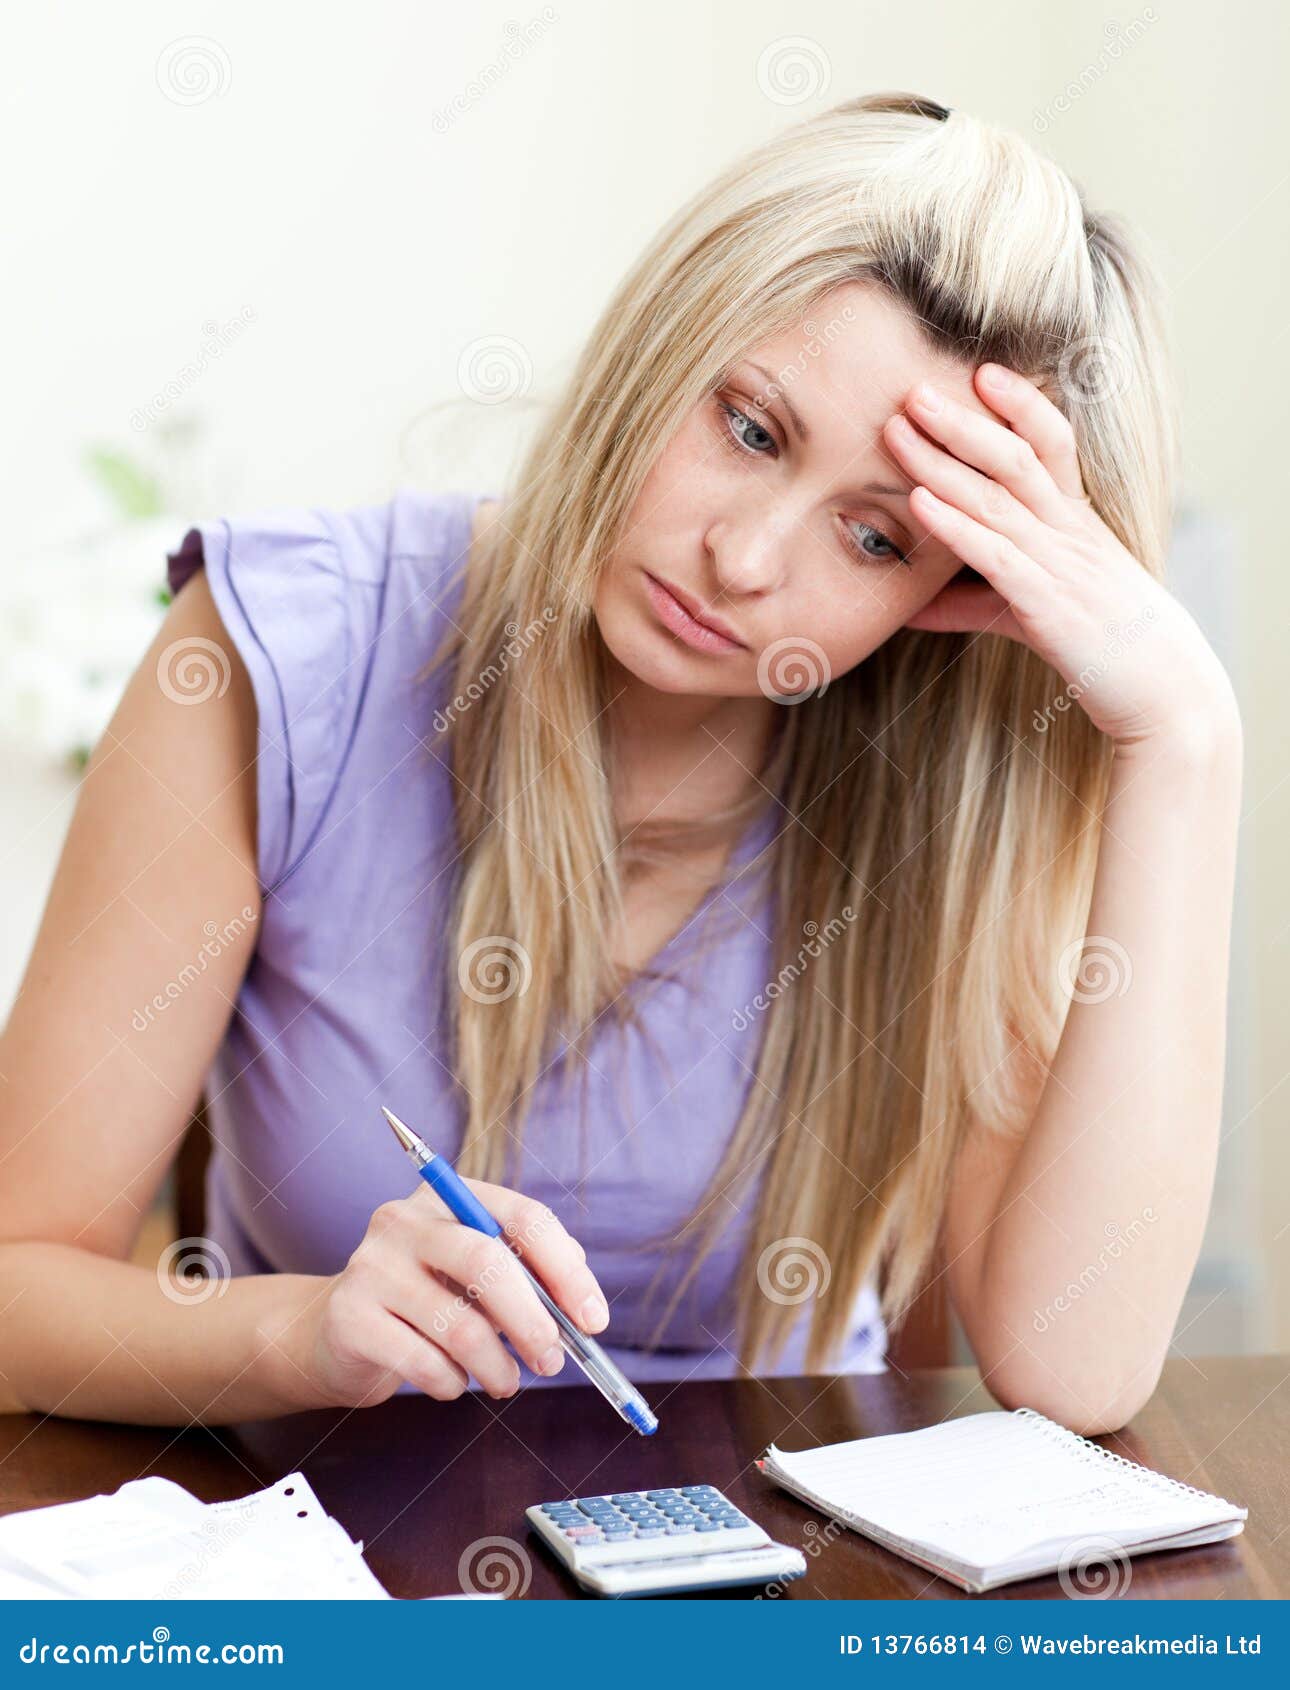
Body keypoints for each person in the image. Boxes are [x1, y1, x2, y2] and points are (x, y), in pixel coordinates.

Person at [0, 92, 1241, 1435]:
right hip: (351, 1594)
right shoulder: (282, 653)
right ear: (662, 341)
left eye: (876, 539)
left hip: (758, 1600)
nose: (746, 560)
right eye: (751, 429)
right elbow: (16, 1288)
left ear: (953, 589)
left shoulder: (939, 782)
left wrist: (1185, 744)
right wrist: (300, 1330)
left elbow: (1078, 1370)